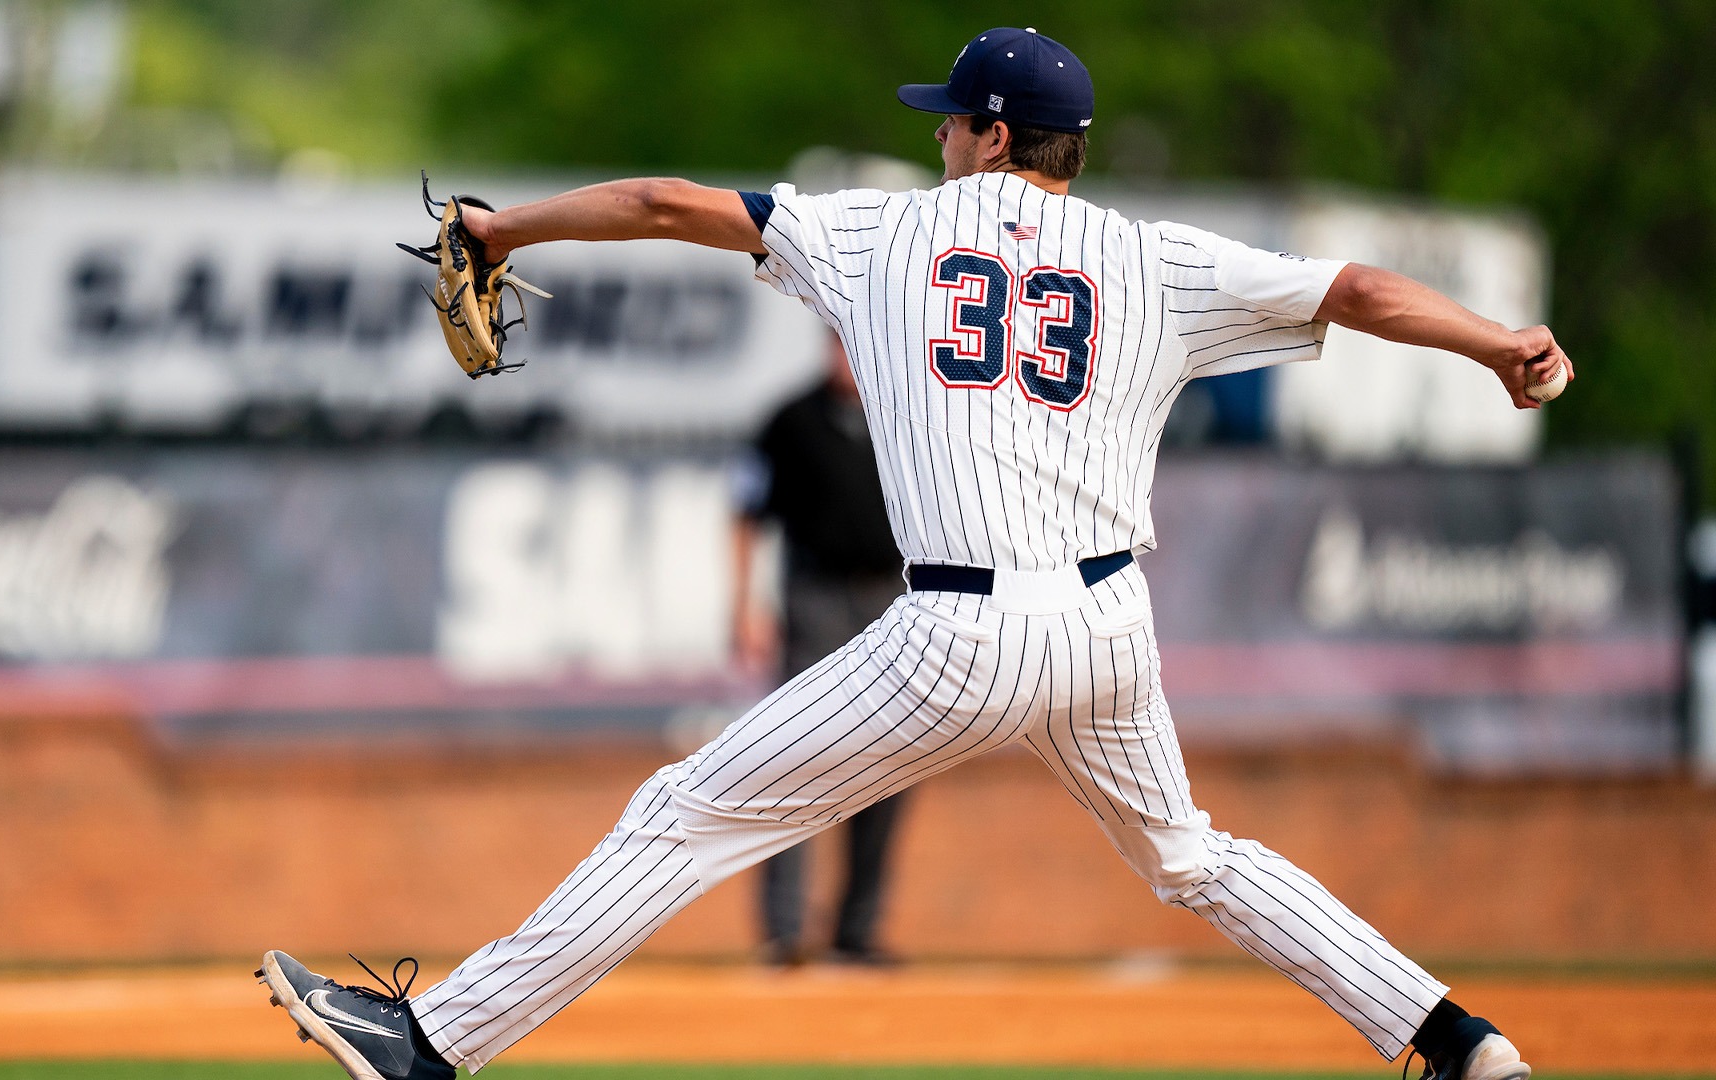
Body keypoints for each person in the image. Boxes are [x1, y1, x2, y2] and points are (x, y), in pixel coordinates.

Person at [259, 26, 1571, 1080]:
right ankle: (1457, 1039)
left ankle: (434, 1043)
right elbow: (1348, 290)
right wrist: (1500, 342)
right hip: (1111, 631)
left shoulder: (878, 232)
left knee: (686, 809)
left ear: (993, 135)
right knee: (1194, 861)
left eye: (949, 117)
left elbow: (666, 203)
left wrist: (501, 231)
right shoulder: (1154, 257)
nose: (937, 134)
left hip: (963, 633)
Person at [731, 328, 909, 968]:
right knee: (792, 755)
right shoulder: (790, 420)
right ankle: (783, 933)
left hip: (897, 598)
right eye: (840, 347)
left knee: (892, 762)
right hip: (814, 599)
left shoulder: (909, 415)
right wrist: (744, 603)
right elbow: (745, 512)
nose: (849, 362)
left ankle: (856, 930)